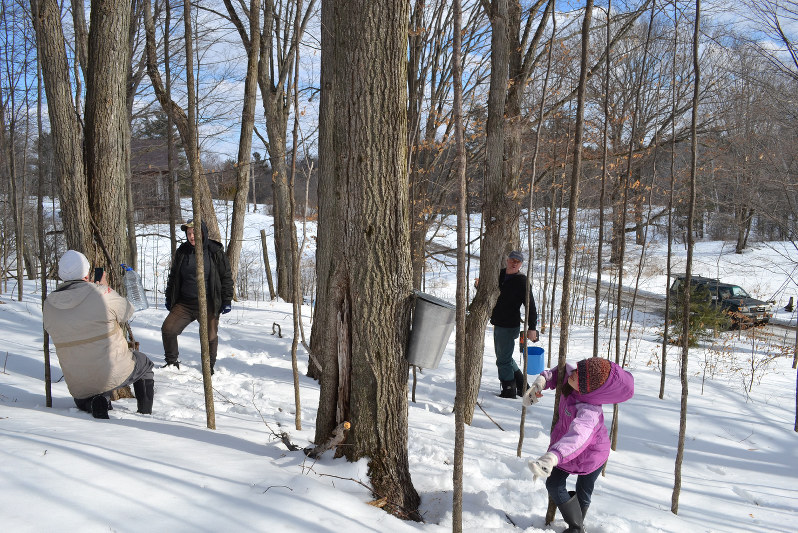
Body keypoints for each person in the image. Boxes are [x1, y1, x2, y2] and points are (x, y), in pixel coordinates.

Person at [523, 357, 634, 533]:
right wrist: (541, 381)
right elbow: (561, 371)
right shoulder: (576, 378)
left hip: (591, 456)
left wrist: (553, 456)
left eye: (578, 375)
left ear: (588, 388)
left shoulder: (589, 411)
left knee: (583, 492)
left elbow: (577, 437)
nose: (573, 373)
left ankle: (576, 528)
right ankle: (577, 524)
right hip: (565, 450)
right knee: (553, 484)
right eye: (577, 370)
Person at [43, 250, 156, 419]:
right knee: (145, 364)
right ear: (86, 274)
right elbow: (127, 311)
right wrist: (105, 288)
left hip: (78, 384)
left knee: (83, 395)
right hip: (113, 371)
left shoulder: (49, 304)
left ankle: (96, 402)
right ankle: (145, 415)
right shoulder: (101, 294)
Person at [162, 219, 233, 374]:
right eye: (189, 233)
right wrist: (169, 297)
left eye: (195, 232)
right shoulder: (182, 251)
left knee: (210, 335)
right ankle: (171, 362)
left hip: (208, 303)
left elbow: (226, 277)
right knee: (168, 329)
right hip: (185, 303)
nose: (192, 236)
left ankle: (209, 366)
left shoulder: (214, 251)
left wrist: (226, 300)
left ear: (204, 233)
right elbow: (173, 276)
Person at [489, 250, 538, 398]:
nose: (514, 263)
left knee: (503, 360)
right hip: (498, 323)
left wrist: (532, 328)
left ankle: (509, 389)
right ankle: (523, 386)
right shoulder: (501, 274)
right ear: (507, 260)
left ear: (521, 265)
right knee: (506, 357)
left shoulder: (521, 280)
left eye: (518, 261)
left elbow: (531, 305)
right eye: (512, 260)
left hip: (509, 325)